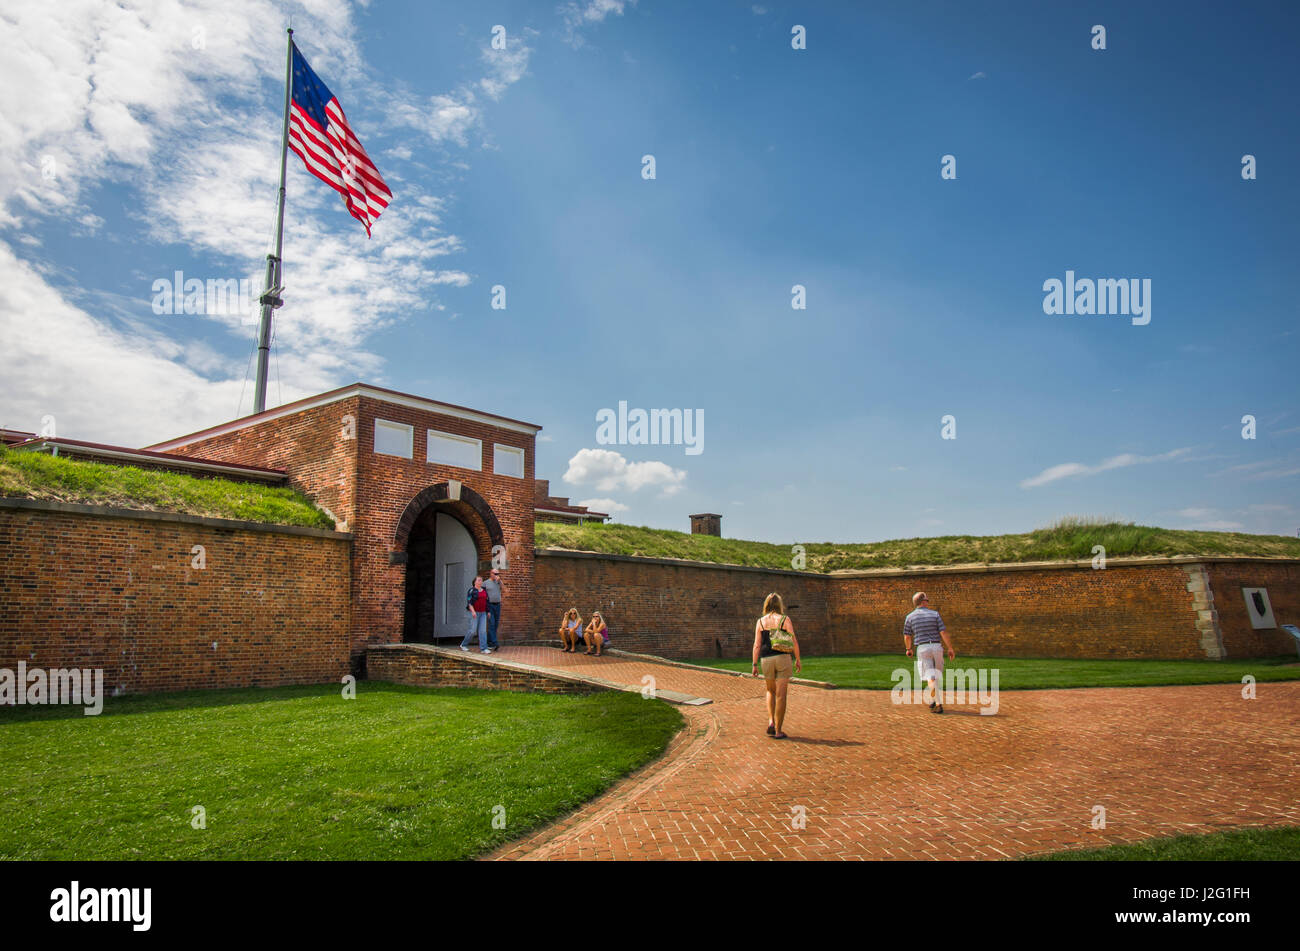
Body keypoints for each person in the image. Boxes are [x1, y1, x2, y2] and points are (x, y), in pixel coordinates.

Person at [751, 592, 801, 739]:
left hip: (766, 659)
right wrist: (797, 659)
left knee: (770, 691)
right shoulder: (785, 619)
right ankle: (778, 730)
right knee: (781, 695)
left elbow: (756, 645)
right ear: (779, 604)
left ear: (766, 605)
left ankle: (771, 721)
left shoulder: (760, 622)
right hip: (782, 658)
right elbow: (794, 641)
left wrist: (754, 664)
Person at [903, 591, 955, 713]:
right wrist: (950, 648)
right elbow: (943, 632)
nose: (928, 602)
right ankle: (933, 699)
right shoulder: (935, 614)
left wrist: (909, 649)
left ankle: (937, 704)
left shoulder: (910, 617)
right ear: (923, 602)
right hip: (937, 647)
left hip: (923, 648)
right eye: (927, 600)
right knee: (935, 677)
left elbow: (907, 636)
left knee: (930, 678)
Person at [461, 575, 491, 654]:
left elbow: (487, 602)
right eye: (479, 580)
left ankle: (483, 648)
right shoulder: (471, 590)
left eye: (481, 580)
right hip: (474, 613)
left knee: (483, 631)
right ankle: (463, 645)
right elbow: (469, 602)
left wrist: (488, 611)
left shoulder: (484, 591)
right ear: (475, 582)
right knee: (472, 630)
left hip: (483, 613)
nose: (480, 581)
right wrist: (473, 611)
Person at [483, 566, 505, 651]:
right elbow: (483, 595)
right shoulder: (485, 583)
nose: (497, 575)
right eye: (495, 574)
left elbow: (504, 589)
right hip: (490, 605)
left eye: (498, 574)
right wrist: (486, 608)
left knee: (495, 624)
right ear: (491, 573)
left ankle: (490, 643)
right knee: (491, 623)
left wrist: (500, 581)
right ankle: (495, 642)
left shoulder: (498, 582)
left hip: (498, 605)